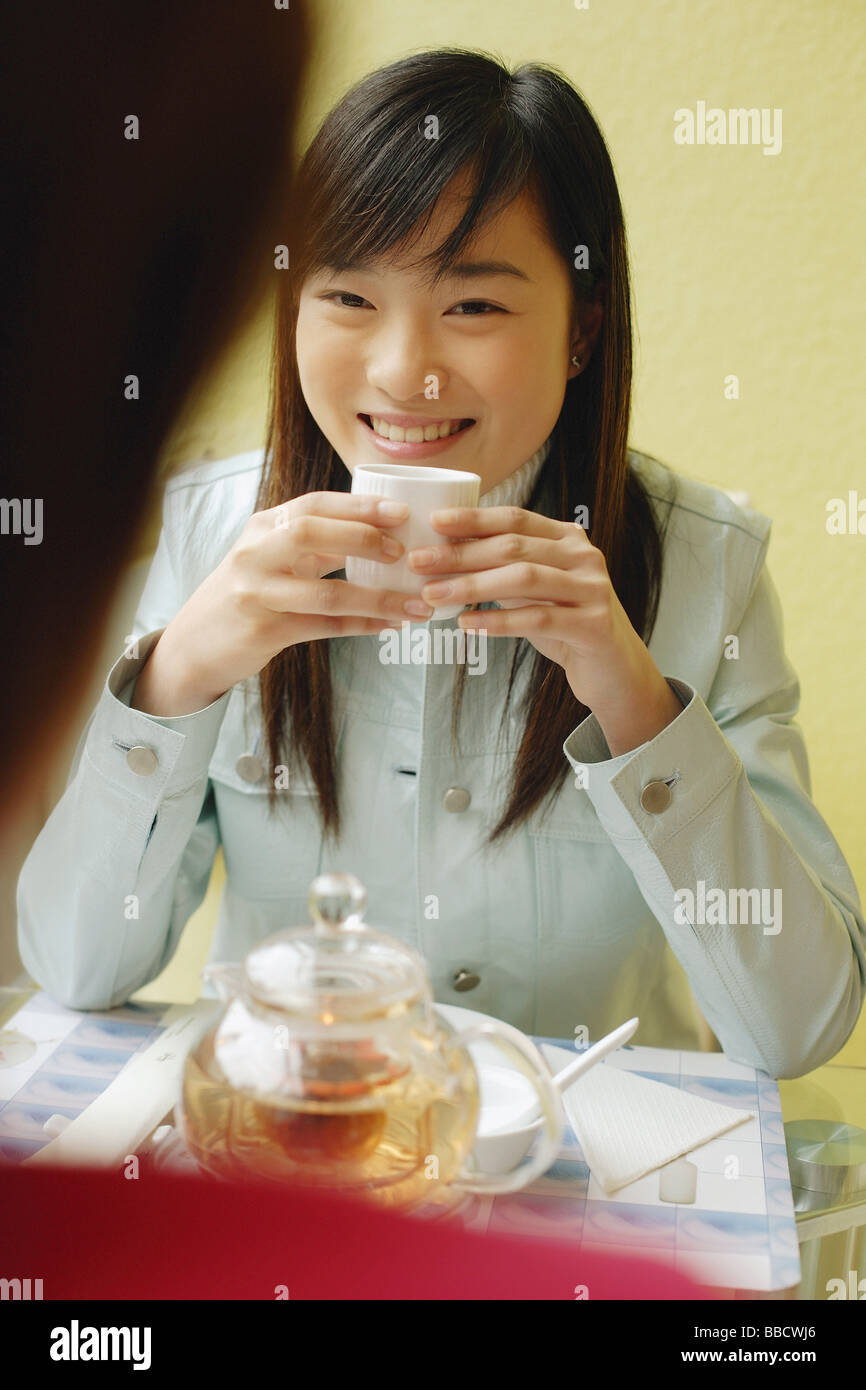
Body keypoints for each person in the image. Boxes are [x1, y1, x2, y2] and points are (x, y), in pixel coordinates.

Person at [17, 49, 865, 1082]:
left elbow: (799, 1029)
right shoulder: (206, 539)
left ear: (581, 330)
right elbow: (73, 968)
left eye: (472, 306)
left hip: (587, 1188)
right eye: (347, 299)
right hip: (300, 1154)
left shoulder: (704, 562)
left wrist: (636, 701)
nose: (401, 371)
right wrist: (176, 675)